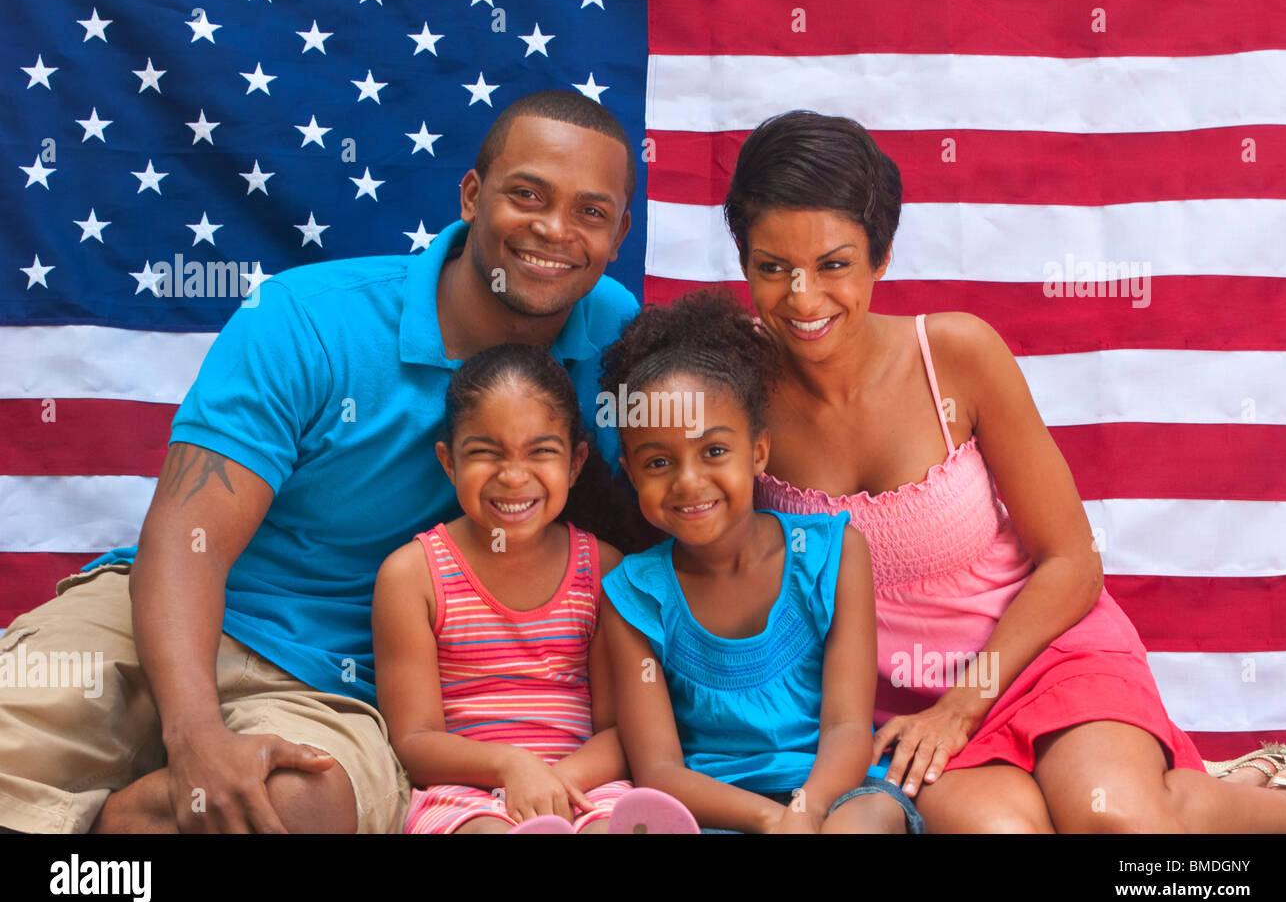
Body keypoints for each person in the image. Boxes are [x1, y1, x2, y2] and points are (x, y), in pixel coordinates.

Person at [0, 90, 643, 834]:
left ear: (620, 232)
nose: (554, 230)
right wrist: (197, 735)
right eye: (527, 194)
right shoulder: (303, 317)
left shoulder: (613, 337)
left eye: (590, 212)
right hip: (170, 613)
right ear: (472, 196)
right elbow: (187, 539)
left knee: (289, 806)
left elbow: (694, 472)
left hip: (341, 684)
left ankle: (112, 824)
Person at [731, 109, 1286, 832]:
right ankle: (1209, 792)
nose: (802, 297)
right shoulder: (735, 384)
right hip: (891, 708)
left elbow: (1072, 560)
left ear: (882, 255)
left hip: (1041, 650)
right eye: (771, 267)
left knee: (1120, 823)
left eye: (833, 264)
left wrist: (965, 702)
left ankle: (1265, 802)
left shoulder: (957, 355)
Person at [598, 292, 925, 834]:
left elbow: (847, 728)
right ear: (632, 474)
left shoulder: (833, 555)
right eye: (658, 461)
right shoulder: (634, 595)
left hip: (839, 792)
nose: (688, 481)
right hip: (712, 807)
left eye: (714, 451)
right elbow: (659, 769)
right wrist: (771, 820)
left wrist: (806, 810)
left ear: (758, 452)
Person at [373, 343, 637, 834]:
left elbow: (621, 729)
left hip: (583, 784)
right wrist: (510, 769)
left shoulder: (601, 568)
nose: (514, 477)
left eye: (541, 452)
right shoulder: (413, 576)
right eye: (485, 453)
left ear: (576, 463)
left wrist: (554, 783)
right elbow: (414, 740)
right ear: (448, 462)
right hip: (466, 792)